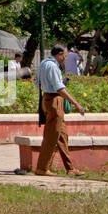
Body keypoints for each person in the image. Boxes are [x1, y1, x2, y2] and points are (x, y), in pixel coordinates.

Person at [35, 45, 85, 175]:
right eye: (65, 56)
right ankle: (42, 168)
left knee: (62, 136)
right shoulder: (52, 66)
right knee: (51, 136)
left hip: (47, 98)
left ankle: (70, 168)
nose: (65, 58)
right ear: (60, 54)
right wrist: (76, 103)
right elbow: (59, 88)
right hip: (54, 101)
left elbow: (37, 82)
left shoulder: (43, 64)